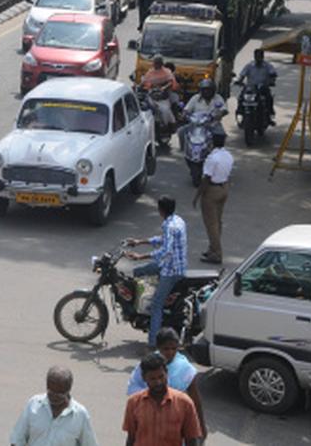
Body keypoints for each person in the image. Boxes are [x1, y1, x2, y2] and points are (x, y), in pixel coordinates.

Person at [124, 196, 188, 348]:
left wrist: (141, 256)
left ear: (161, 210)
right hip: (170, 264)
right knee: (139, 271)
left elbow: (166, 250)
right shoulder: (177, 220)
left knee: (156, 305)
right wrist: (140, 242)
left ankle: (153, 345)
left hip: (172, 270)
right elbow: (164, 240)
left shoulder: (169, 226)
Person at [125, 329, 206, 441]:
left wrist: (202, 427)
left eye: (174, 348)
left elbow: (195, 401)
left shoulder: (185, 371)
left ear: (166, 375)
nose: (170, 352)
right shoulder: (136, 401)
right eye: (166, 349)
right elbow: (131, 436)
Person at [10, 366, 98, 446]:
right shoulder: (33, 404)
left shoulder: (80, 415)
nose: (54, 397)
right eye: (51, 392)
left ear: (68, 390)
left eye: (59, 394)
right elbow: (17, 438)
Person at [193, 133, 232, 265]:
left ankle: (216, 254)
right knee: (218, 222)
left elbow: (206, 179)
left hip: (212, 190)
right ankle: (212, 249)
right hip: (224, 188)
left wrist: (197, 196)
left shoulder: (212, 158)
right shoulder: (228, 155)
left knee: (211, 224)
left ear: (212, 143)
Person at [179, 79, 227, 150]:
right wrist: (184, 115)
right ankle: (185, 150)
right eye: (204, 90)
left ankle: (218, 152)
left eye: (209, 90)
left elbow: (224, 110)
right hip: (195, 125)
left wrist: (219, 114)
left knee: (220, 134)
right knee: (181, 131)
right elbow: (187, 109)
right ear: (201, 90)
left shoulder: (218, 98)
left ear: (213, 90)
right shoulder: (195, 98)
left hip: (212, 124)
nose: (206, 92)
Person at [236, 49, 278, 125]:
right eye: (257, 56)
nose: (258, 58)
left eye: (260, 56)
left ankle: (269, 116)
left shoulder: (267, 66)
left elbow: (273, 74)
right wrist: (239, 81)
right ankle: (240, 114)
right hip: (250, 88)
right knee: (241, 98)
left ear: (263, 57)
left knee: (269, 98)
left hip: (263, 88)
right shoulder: (249, 66)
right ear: (254, 56)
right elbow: (242, 75)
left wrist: (271, 81)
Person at [140, 57, 177, 127]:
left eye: (157, 63)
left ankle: (167, 125)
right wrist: (140, 86)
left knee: (165, 110)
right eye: (155, 63)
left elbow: (171, 82)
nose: (155, 65)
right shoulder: (150, 72)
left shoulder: (167, 72)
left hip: (163, 96)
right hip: (152, 95)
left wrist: (163, 88)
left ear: (161, 64)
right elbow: (143, 82)